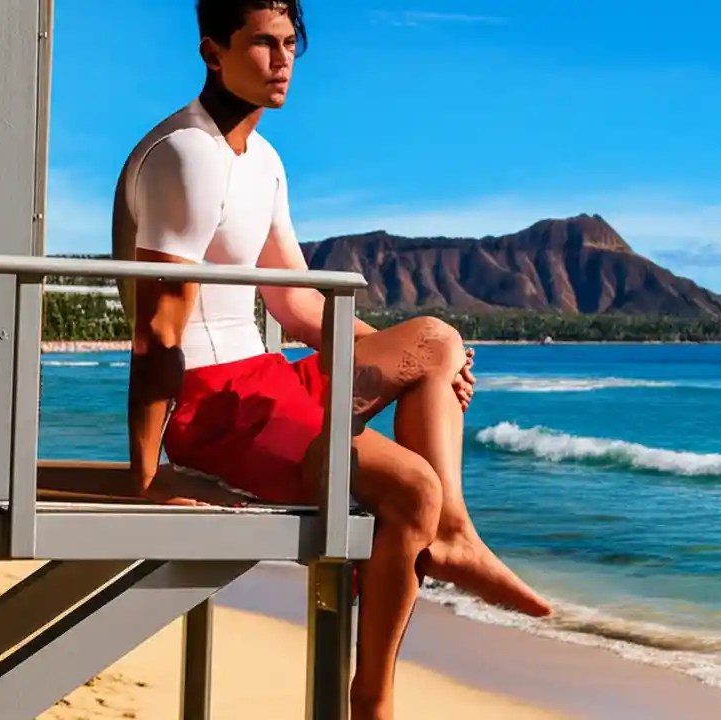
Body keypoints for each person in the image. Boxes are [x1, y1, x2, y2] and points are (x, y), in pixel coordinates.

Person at [110, 2, 552, 717]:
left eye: (291, 44)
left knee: (437, 338)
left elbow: (300, 308)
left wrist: (430, 365)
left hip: (262, 383)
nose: (282, 60)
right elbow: (159, 331)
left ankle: (454, 536)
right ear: (212, 50)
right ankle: (372, 699)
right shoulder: (186, 155)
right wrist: (148, 475)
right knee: (411, 488)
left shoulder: (264, 161)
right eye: (262, 44)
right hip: (214, 406)